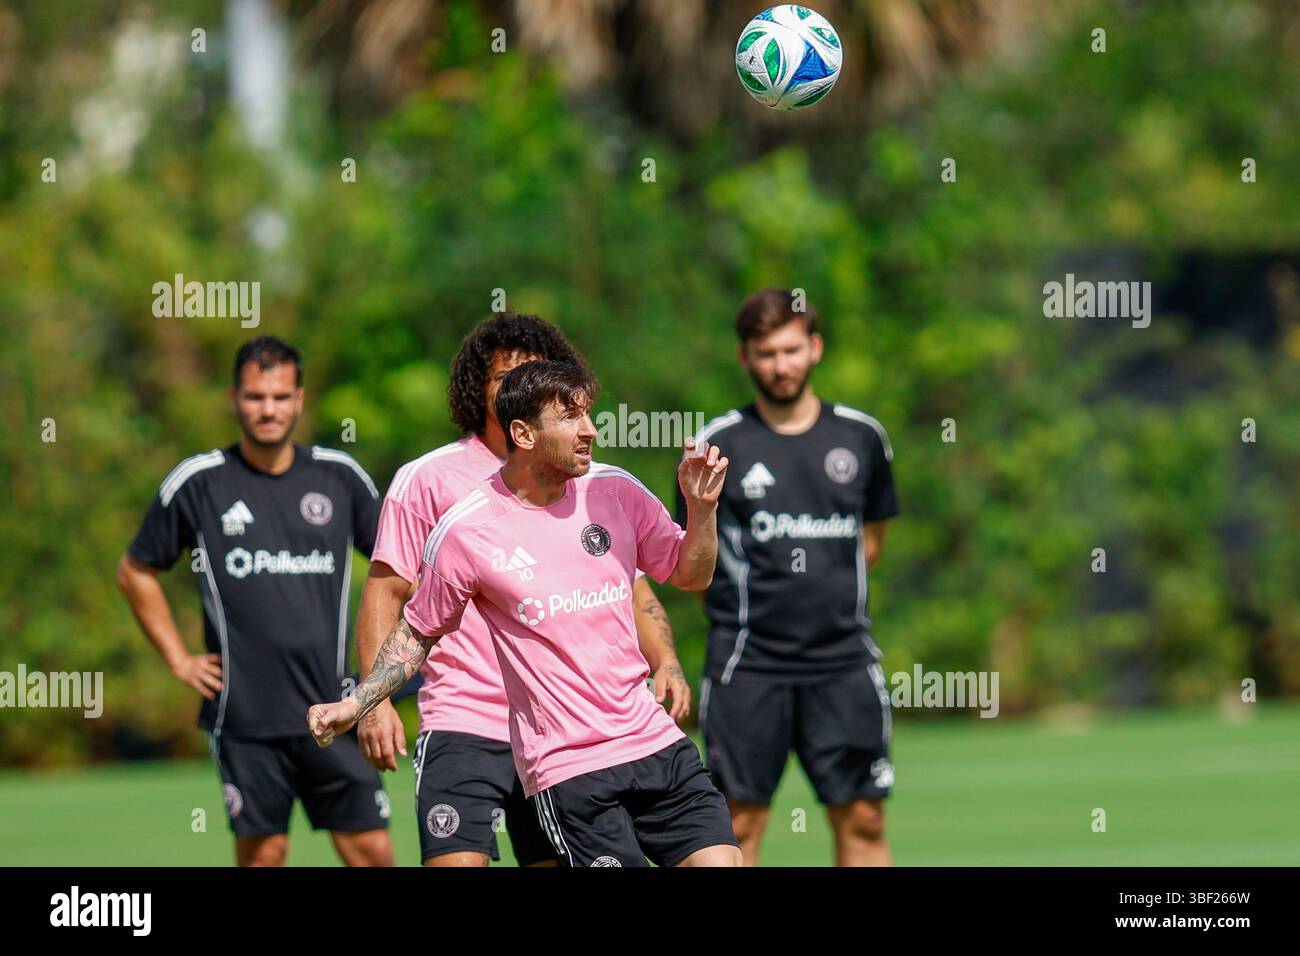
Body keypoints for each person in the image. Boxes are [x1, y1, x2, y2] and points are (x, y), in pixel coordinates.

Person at [309, 360, 741, 867]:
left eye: (587, 414)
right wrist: (357, 702)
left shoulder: (616, 491)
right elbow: (417, 633)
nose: (590, 430)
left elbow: (691, 574)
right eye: (569, 418)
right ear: (523, 432)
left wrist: (702, 509)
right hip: (570, 767)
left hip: (654, 741)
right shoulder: (467, 531)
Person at [117, 336, 394, 867]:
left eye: (280, 396)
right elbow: (135, 572)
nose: (268, 409)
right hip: (245, 716)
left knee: (371, 850)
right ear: (234, 399)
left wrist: (384, 678)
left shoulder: (340, 477)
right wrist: (178, 658)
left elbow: (396, 572)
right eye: (255, 396)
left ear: (300, 399)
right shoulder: (200, 483)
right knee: (264, 855)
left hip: (335, 707)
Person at [682, 289, 900, 866]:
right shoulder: (718, 444)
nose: (780, 365)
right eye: (766, 353)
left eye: (790, 349)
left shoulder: (862, 437)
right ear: (745, 358)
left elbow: (870, 543)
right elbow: (692, 559)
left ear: (815, 348)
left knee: (864, 817)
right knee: (736, 824)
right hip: (749, 664)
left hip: (844, 661)